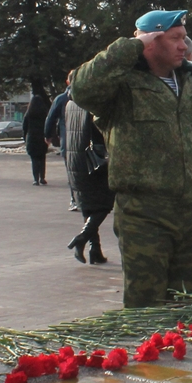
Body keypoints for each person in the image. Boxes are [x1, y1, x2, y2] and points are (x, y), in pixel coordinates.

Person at [71, 9, 192, 308]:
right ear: (152, 41)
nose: (184, 45)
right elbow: (81, 88)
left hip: (190, 214)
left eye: (183, 39)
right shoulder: (122, 87)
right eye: (175, 38)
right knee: (147, 307)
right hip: (145, 214)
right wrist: (132, 46)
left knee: (184, 305)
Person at [63, 96, 113, 264]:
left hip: (75, 159)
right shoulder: (93, 103)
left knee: (88, 205)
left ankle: (95, 249)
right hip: (93, 161)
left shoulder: (70, 104)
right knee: (105, 203)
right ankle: (83, 237)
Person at [45, 74, 77, 209]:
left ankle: (74, 199)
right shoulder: (88, 97)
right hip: (86, 141)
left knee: (71, 171)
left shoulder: (61, 99)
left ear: (67, 81)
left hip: (68, 141)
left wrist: (48, 136)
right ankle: (86, 199)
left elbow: (51, 118)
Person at [22, 92, 50, 185]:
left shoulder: (29, 113)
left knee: (34, 159)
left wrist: (24, 137)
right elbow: (48, 124)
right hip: (42, 138)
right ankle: (42, 177)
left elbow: (24, 126)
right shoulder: (44, 113)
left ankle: (35, 179)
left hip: (32, 137)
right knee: (42, 158)